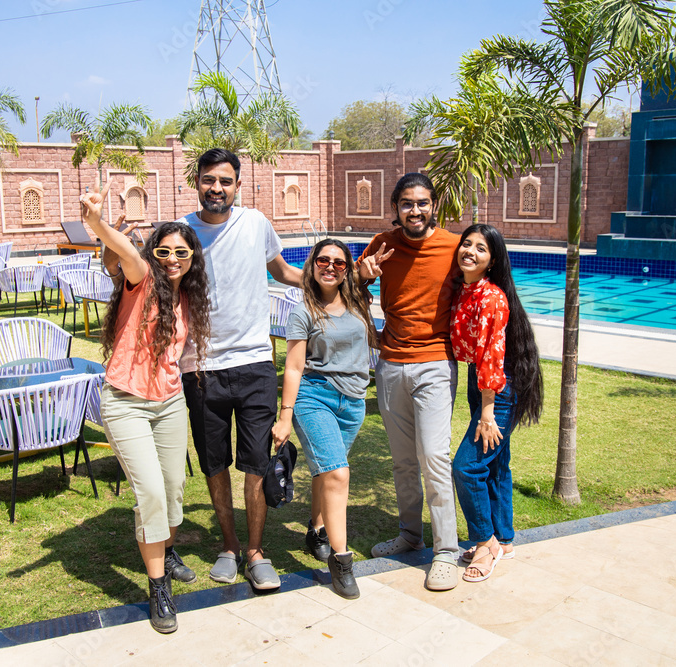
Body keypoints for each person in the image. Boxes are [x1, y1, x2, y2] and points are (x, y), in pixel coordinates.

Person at [80, 187, 211, 634]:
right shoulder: (142, 279)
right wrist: (99, 225)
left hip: (169, 404)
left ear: (192, 255)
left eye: (181, 251)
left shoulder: (190, 296)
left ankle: (167, 549)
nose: (172, 258)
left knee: (174, 490)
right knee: (151, 494)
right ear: (153, 253)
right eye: (164, 250)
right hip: (125, 404)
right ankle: (158, 588)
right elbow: (123, 252)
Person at [176, 148, 301, 590]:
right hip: (200, 368)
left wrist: (332, 278)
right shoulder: (181, 233)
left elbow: (282, 270)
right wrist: (110, 244)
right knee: (214, 466)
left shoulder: (256, 224)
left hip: (254, 365)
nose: (217, 188)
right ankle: (228, 546)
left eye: (225, 181)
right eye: (209, 180)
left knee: (256, 463)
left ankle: (255, 551)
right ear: (197, 183)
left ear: (238, 185)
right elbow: (147, 277)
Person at [357, 172, 463, 591]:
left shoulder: (455, 247)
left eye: (421, 202)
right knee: (402, 460)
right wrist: (362, 277)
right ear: (395, 207)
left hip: (436, 363)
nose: (414, 210)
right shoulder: (383, 244)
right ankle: (409, 534)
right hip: (390, 364)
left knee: (435, 456)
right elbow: (347, 291)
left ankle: (446, 551)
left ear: (433, 205)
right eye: (406, 203)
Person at [272, 239, 378, 599]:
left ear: (347, 268)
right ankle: (341, 559)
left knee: (326, 469)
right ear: (311, 265)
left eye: (338, 262)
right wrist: (285, 416)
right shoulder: (303, 310)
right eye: (323, 260)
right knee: (337, 472)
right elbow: (294, 366)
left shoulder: (359, 302)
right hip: (314, 398)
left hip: (354, 402)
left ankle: (316, 529)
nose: (330, 266)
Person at [450, 224, 543, 582]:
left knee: (467, 466)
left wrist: (487, 412)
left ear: (492, 261)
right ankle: (504, 539)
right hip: (483, 382)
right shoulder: (465, 290)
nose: (470, 251)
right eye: (466, 244)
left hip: (498, 387)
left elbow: (490, 355)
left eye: (481, 249)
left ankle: (484, 544)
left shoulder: (491, 297)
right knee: (496, 462)